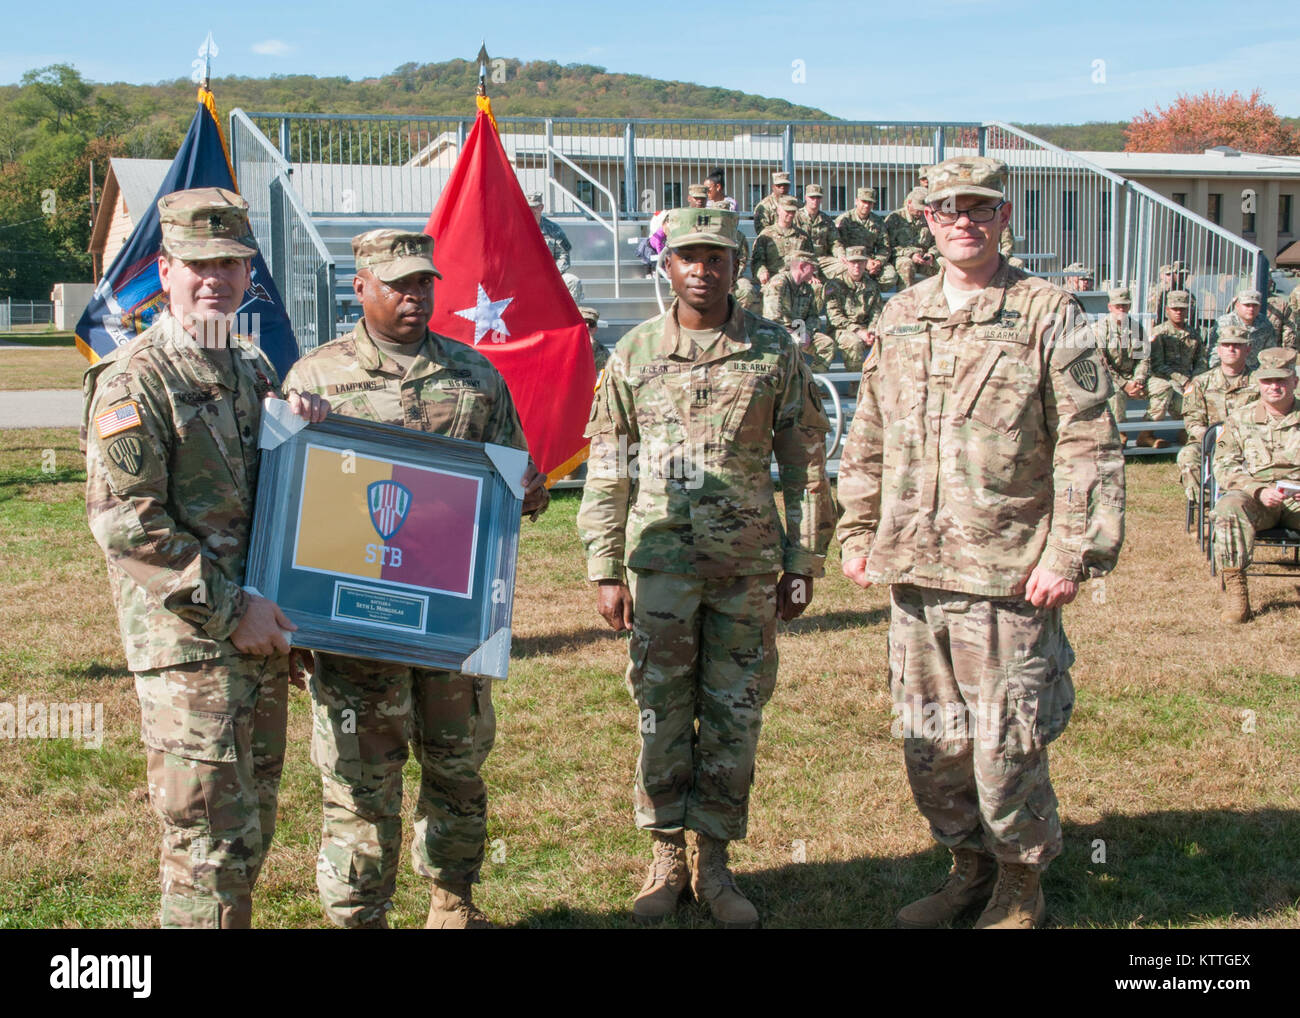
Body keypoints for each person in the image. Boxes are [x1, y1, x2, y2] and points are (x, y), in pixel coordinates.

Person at [836, 156, 1125, 931]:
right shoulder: (900, 316)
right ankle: (966, 867)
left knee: (1007, 747)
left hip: (1006, 572)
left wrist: (1070, 552)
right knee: (931, 748)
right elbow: (869, 434)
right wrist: (858, 528)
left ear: (1004, 217)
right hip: (914, 569)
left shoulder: (1047, 312)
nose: (963, 220)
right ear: (925, 221)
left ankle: (1021, 886)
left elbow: (1088, 444)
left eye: (980, 207)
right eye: (946, 209)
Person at [281, 229, 548, 929]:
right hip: (352, 624)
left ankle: (452, 902)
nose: (414, 296)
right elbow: (284, 506)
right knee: (360, 785)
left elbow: (519, 475)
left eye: (424, 283)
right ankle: (359, 916)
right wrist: (293, 620)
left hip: (450, 624)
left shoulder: (474, 374)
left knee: (457, 770)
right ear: (360, 287)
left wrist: (520, 487)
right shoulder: (314, 378)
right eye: (398, 284)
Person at [577, 206, 835, 929]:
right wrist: (604, 566)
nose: (703, 269)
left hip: (747, 569)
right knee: (660, 710)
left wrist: (804, 557)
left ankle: (716, 862)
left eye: (717, 256)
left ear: (736, 264)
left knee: (734, 713)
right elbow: (608, 468)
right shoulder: (631, 354)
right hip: (659, 567)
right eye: (689, 255)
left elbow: (805, 462)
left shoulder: (774, 350)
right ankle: (664, 855)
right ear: (668, 264)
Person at [82, 187, 330, 928]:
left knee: (247, 836)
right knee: (206, 850)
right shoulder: (135, 378)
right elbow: (128, 524)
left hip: (255, 642)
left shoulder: (248, 367)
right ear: (165, 269)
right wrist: (233, 608)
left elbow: (269, 489)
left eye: (231, 263)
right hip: (192, 648)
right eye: (199, 264)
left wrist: (303, 425)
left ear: (250, 271)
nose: (215, 279)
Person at [1211, 347, 1300, 622]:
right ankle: (1237, 595)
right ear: (1258, 383)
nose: (1274, 387)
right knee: (1228, 507)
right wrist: (1258, 490)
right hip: (1260, 499)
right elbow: (1223, 465)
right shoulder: (1239, 418)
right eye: (1267, 381)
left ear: (1294, 381)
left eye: (1281, 380)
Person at [1179, 327, 1258, 502]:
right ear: (1219, 349)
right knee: (1188, 456)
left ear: (1248, 349)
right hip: (1210, 443)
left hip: (1250, 444)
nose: (1231, 349)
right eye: (1227, 345)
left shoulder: (1260, 382)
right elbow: (1193, 423)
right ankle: (1207, 505)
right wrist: (1218, 441)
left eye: (1237, 345)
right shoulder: (1200, 383)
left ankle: (1252, 503)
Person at [1143, 289, 1205, 447]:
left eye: (1182, 309)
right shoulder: (1160, 333)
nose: (1179, 312)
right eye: (1175, 309)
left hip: (1188, 381)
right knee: (1172, 396)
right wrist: (1183, 381)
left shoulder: (1193, 334)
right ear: (1167, 310)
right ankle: (1146, 434)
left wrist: (1197, 379)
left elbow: (1201, 360)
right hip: (1164, 379)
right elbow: (1157, 365)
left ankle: (1186, 433)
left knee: (1197, 400)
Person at [762, 250, 836, 373]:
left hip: (799, 330)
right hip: (777, 331)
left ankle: (812, 384)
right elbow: (771, 318)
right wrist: (792, 333)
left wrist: (806, 333)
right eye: (812, 268)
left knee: (826, 344)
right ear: (802, 267)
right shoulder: (779, 283)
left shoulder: (807, 288)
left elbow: (813, 316)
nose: (814, 272)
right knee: (793, 342)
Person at [1092, 287, 1148, 439]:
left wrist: (1138, 380)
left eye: (1125, 306)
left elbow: (1143, 358)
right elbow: (1102, 364)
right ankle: (1119, 434)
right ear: (1110, 307)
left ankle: (1148, 433)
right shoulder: (1099, 329)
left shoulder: (1137, 328)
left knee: (1162, 388)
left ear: (1129, 307)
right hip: (1110, 378)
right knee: (1115, 392)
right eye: (1118, 306)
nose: (1121, 309)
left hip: (1134, 378)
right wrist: (1125, 384)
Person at [823, 246, 884, 372]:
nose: (857, 266)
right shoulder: (834, 285)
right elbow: (835, 318)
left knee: (886, 339)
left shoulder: (871, 285)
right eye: (853, 262)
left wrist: (871, 331)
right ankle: (854, 384)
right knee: (855, 343)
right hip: (840, 330)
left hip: (866, 329)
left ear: (865, 263)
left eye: (860, 262)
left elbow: (876, 311)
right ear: (846, 263)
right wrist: (858, 331)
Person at [835, 187, 897, 290]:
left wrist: (877, 262)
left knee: (890, 277)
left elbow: (884, 247)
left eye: (870, 203)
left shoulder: (878, 222)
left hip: (872, 260)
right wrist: (864, 263)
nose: (866, 205)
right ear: (856, 201)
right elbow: (838, 245)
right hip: (851, 260)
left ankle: (872, 295)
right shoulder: (844, 220)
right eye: (863, 201)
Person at [1209, 288, 1285, 371]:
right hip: (1229, 371)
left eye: (1255, 305)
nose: (1251, 309)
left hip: (1255, 372)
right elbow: (1215, 352)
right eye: (1247, 305)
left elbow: (1270, 353)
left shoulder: (1265, 324)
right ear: (1237, 306)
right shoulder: (1225, 323)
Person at [528, 192, 583, 303]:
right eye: (529, 207)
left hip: (551, 275)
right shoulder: (517, 227)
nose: (532, 210)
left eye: (535, 207)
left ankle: (570, 320)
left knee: (573, 282)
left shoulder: (553, 229)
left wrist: (552, 274)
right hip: (526, 277)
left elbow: (563, 255)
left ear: (541, 207)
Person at [750, 195, 813, 287]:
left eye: (793, 212)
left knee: (817, 288)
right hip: (774, 279)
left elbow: (810, 258)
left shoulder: (802, 236)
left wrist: (811, 274)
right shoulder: (766, 235)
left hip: (798, 279)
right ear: (779, 211)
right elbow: (757, 261)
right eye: (787, 211)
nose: (790, 215)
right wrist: (762, 272)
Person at [884, 188, 937, 288]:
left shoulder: (928, 218)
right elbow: (888, 246)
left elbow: (937, 242)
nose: (920, 213)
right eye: (917, 209)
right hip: (903, 257)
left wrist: (932, 254)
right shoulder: (895, 218)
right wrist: (911, 255)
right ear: (909, 203)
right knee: (906, 265)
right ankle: (906, 301)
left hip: (924, 259)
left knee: (945, 265)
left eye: (922, 210)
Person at [795, 183, 837, 267]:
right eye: (812, 197)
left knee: (845, 266)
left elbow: (835, 242)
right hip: (803, 258)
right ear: (806, 197)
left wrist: (841, 255)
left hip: (822, 259)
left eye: (818, 197)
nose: (815, 200)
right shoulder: (796, 217)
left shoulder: (826, 220)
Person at [753, 170, 792, 234]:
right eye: (779, 185)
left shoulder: (796, 204)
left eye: (785, 185)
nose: (783, 188)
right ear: (773, 187)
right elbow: (762, 232)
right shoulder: (764, 206)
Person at [580, 304, 608, 372]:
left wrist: (592, 346)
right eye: (584, 322)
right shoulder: (567, 346)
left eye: (592, 324)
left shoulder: (602, 351)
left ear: (596, 329)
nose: (587, 326)